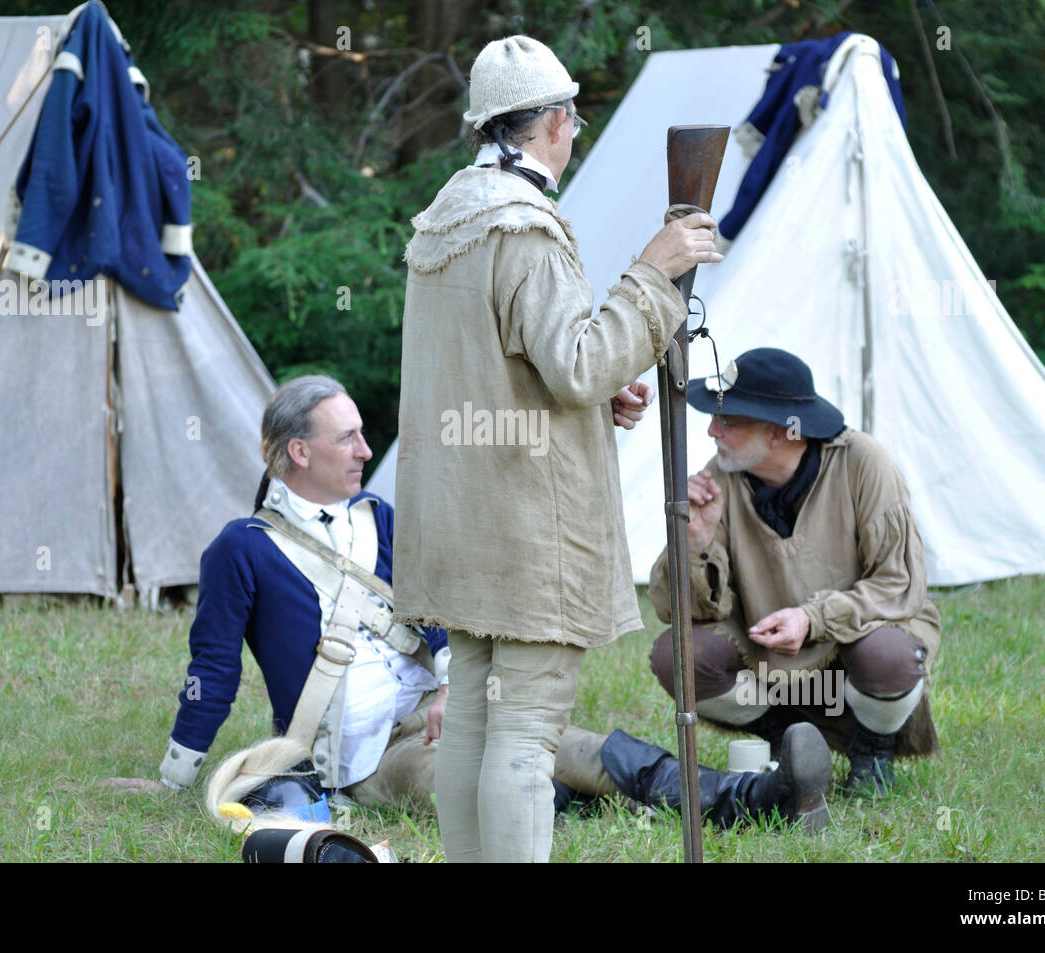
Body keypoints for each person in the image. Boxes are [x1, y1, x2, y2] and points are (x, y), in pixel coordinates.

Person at [391, 34, 782, 862]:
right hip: (524, 521)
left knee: (472, 713)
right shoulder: (526, 226)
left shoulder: (449, 218)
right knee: (526, 731)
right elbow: (574, 363)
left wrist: (598, 393)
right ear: (557, 123)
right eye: (574, 118)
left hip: (464, 514)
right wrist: (651, 271)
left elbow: (501, 362)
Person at [160, 375, 832, 839]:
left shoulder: (378, 518)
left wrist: (452, 684)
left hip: (437, 707)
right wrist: (174, 779)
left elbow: (438, 606)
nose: (367, 450)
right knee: (498, 779)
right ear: (299, 451)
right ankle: (578, 795)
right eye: (349, 438)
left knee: (565, 744)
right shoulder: (240, 550)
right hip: (362, 754)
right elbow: (212, 670)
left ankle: (751, 798)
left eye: (364, 434)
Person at [647, 348, 943, 795]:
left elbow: (898, 583)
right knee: (679, 658)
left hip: (855, 644)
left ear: (778, 433)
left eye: (728, 421)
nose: (711, 430)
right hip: (767, 655)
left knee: (887, 656)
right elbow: (687, 611)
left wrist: (813, 618)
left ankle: (872, 750)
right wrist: (696, 543)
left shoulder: (863, 462)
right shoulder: (721, 476)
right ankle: (789, 740)